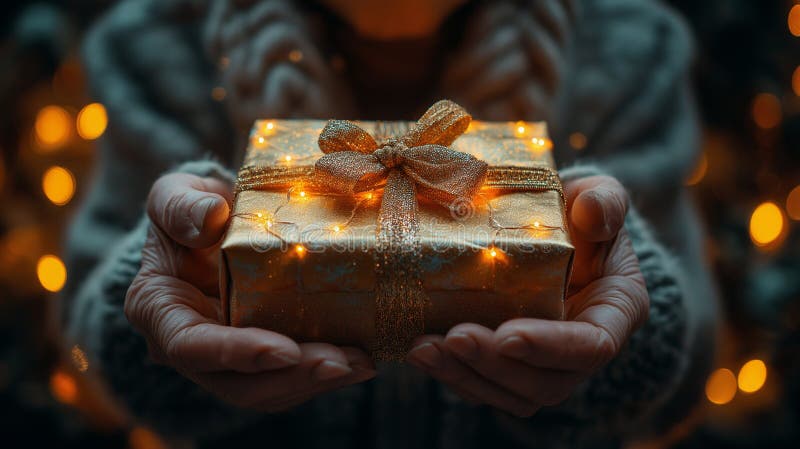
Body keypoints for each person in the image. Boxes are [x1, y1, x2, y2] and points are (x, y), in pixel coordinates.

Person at [63, 0, 718, 447]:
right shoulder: (155, 42)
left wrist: (630, 327)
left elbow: (690, 364)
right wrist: (156, 304)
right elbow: (86, 325)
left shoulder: (632, 46)